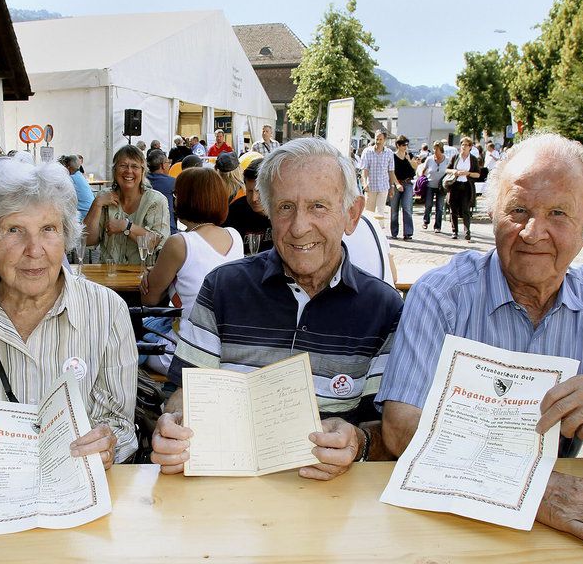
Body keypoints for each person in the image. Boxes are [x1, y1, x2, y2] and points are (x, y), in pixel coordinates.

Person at [378, 132, 583, 559]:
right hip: (449, 521)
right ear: (494, 214)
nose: (532, 231)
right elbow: (399, 427)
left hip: (557, 539)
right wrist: (533, 488)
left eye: (558, 213)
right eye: (518, 210)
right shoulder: (442, 295)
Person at [151, 138, 404, 479]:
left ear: (352, 214)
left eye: (318, 206)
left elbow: (388, 435)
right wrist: (173, 426)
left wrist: (358, 442)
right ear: (267, 211)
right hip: (227, 496)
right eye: (285, 207)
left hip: (329, 502)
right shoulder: (223, 289)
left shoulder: (384, 310)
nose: (299, 227)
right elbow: (183, 392)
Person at [0, 155, 139, 469]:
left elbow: (119, 425)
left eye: (49, 229)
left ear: (65, 237)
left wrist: (110, 444)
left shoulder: (108, 312)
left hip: (78, 500)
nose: (34, 250)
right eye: (14, 230)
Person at [139, 167, 244, 374]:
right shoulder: (235, 236)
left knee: (131, 340)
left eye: (176, 194)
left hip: (186, 354)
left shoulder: (180, 243)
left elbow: (149, 300)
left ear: (185, 199)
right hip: (226, 351)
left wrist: (149, 277)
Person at [82, 145, 171, 264]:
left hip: (142, 277)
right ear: (114, 170)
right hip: (109, 275)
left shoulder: (156, 200)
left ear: (143, 171)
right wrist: (96, 204)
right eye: (123, 165)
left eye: (135, 166)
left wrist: (126, 227)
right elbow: (87, 240)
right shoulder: (103, 197)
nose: (129, 171)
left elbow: (155, 243)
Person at [222, 158, 271, 251]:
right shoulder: (234, 212)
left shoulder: (284, 213)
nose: (254, 198)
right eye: (249, 191)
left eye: (259, 192)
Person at [445, 136, 480, 241]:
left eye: (466, 145)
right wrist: (454, 171)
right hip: (455, 185)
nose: (463, 147)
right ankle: (454, 231)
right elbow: (447, 169)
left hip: (466, 186)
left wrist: (468, 173)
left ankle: (467, 232)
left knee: (465, 209)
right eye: (462, 145)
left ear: (470, 147)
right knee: (453, 209)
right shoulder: (455, 157)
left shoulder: (473, 159)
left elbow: (478, 174)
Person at [359, 131, 400, 215]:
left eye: (380, 139)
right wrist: (364, 183)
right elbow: (364, 169)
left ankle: (379, 228)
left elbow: (391, 171)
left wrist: (392, 186)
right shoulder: (367, 152)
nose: (378, 141)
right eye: (377, 139)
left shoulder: (389, 153)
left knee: (380, 212)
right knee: (369, 212)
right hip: (371, 187)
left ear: (384, 140)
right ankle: (369, 228)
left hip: (383, 186)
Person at [389, 136, 418, 240]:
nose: (405, 147)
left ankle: (408, 233)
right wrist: (396, 184)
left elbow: (415, 167)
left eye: (406, 144)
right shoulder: (393, 157)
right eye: (403, 145)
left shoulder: (409, 155)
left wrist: (409, 160)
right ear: (398, 145)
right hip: (397, 183)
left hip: (408, 183)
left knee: (407, 208)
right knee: (394, 209)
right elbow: (391, 172)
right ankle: (394, 232)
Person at [146, 149, 177, 234]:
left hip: (145, 229)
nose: (169, 165)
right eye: (168, 163)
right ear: (163, 165)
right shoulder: (172, 182)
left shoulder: (142, 181)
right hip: (168, 229)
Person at [422, 141, 449, 232]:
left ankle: (437, 226)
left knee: (439, 206)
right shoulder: (429, 159)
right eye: (434, 149)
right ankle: (426, 221)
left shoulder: (447, 160)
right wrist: (422, 178)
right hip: (430, 184)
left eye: (437, 150)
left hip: (441, 187)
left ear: (441, 150)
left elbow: (449, 172)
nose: (436, 152)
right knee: (428, 204)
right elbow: (423, 170)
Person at [60, 154, 95, 221]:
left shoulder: (71, 178)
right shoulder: (79, 175)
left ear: (68, 167)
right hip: (90, 210)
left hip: (84, 214)